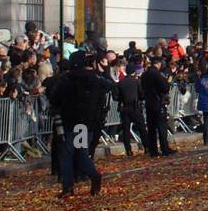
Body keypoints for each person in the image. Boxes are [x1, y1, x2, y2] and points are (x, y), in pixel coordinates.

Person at [48, 53, 104, 198]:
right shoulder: (93, 78)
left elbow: (54, 99)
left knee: (67, 155)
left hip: (69, 122)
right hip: (86, 122)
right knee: (81, 153)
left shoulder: (65, 79)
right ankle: (92, 175)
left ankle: (68, 186)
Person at [140, 55, 174, 157]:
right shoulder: (157, 74)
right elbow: (165, 87)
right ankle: (164, 148)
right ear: (158, 64)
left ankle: (153, 150)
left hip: (148, 102)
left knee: (151, 128)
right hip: (157, 101)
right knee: (161, 126)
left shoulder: (145, 74)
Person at [116, 56, 147, 157]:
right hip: (135, 107)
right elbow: (142, 95)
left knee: (126, 130)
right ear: (134, 72)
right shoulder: (136, 82)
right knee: (142, 127)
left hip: (124, 107)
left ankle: (128, 150)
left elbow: (117, 96)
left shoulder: (121, 82)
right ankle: (147, 147)